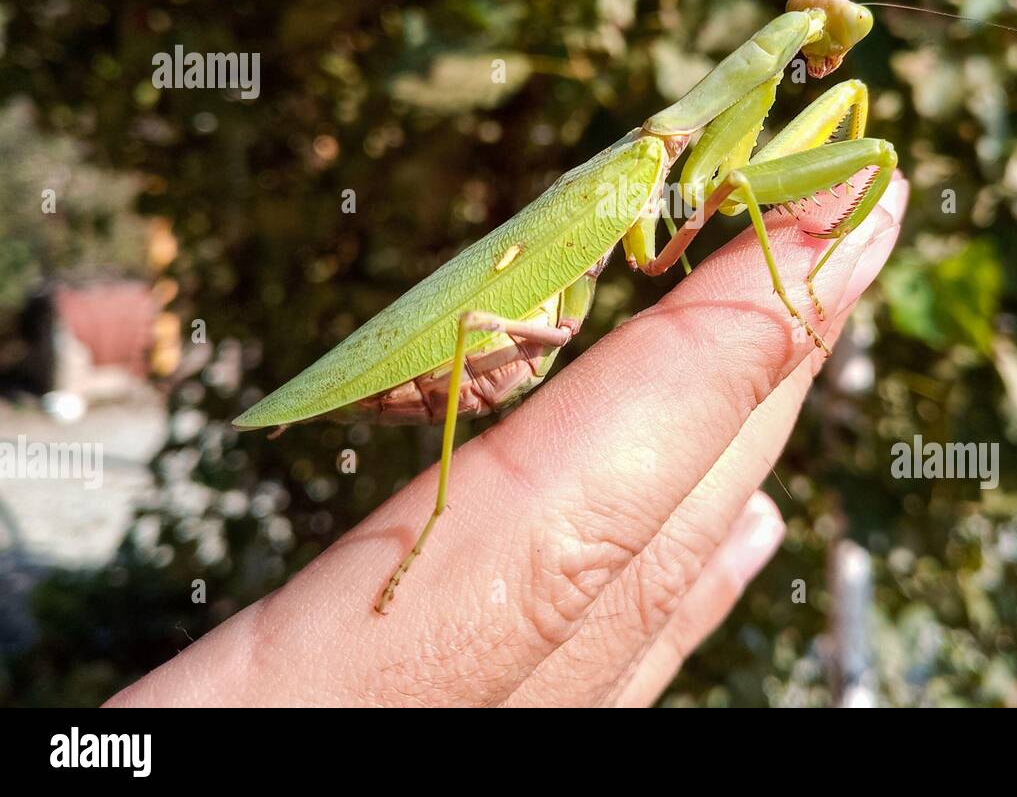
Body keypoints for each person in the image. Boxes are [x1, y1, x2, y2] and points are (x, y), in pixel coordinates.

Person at [106, 174, 908, 707]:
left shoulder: (668, 171)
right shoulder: (642, 167)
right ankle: (431, 522)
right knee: (475, 321)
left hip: (504, 340)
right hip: (471, 342)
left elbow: (674, 236)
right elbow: (674, 235)